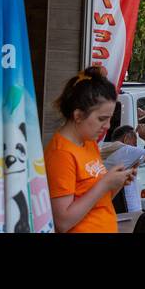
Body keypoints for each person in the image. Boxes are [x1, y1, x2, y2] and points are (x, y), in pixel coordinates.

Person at [44, 66, 134, 233]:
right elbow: (62, 222)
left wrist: (116, 183)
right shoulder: (61, 153)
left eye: (109, 119)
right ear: (78, 115)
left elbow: (97, 201)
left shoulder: (89, 142)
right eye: (102, 119)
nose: (107, 126)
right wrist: (105, 184)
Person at [106, 123, 145, 213]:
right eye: (134, 144)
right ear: (126, 138)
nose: (135, 147)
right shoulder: (125, 150)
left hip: (115, 207)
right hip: (129, 210)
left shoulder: (108, 149)